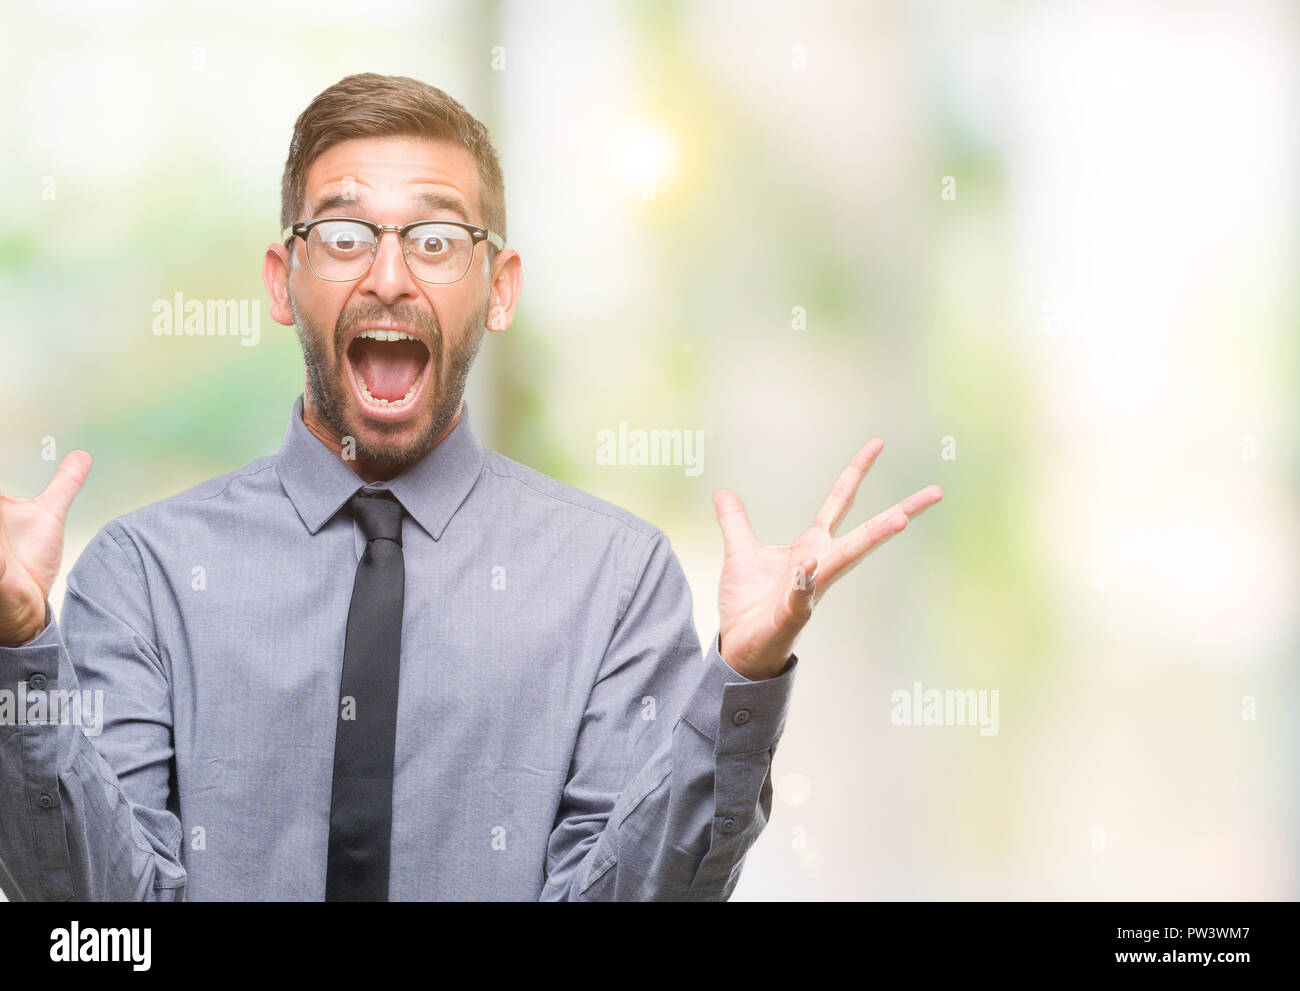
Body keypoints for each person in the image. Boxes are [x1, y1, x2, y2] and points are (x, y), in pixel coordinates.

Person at [0, 73, 942, 901]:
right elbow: (92, 923)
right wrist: (15, 649)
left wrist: (743, 678)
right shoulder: (144, 575)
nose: (389, 276)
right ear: (284, 283)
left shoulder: (614, 581)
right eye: (343, 233)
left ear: (499, 286)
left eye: (438, 238)